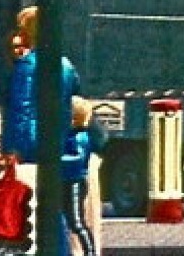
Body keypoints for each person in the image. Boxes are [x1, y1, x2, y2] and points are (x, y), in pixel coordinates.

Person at [2, 6, 81, 255]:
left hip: (31, 144)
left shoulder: (27, 65)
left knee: (32, 207)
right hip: (55, 142)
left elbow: (21, 108)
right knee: (52, 205)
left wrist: (13, 148)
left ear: (27, 34)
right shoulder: (66, 65)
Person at [62, 98, 105, 256]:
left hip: (74, 180)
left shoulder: (79, 137)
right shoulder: (74, 134)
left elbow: (75, 157)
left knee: (76, 221)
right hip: (72, 179)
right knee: (73, 220)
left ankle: (88, 252)